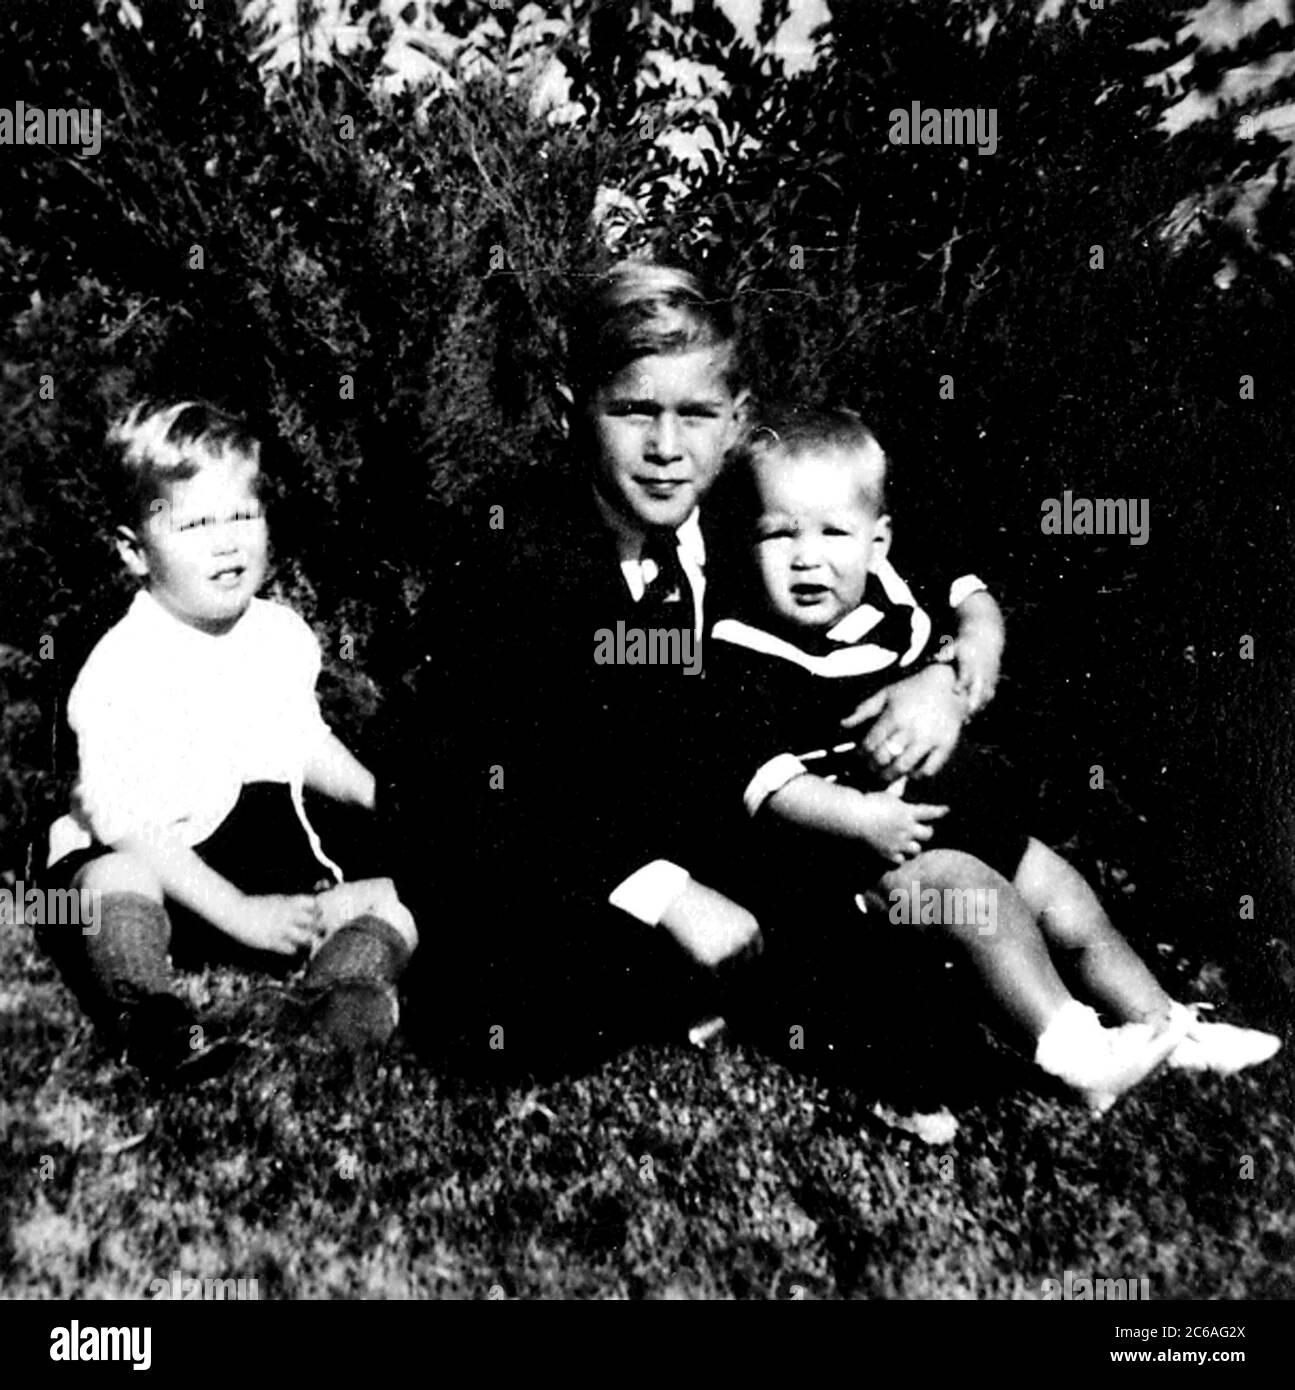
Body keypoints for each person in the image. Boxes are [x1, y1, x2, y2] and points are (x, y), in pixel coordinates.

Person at [705, 404, 1280, 1113]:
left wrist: (973, 640)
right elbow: (764, 780)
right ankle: (1072, 1048)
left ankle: (1160, 1023)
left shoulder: (893, 594)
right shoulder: (745, 646)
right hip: (845, 864)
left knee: (1063, 894)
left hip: (947, 820)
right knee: (976, 895)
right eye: (778, 534)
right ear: (746, 541)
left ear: (878, 541)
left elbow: (971, 597)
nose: (806, 556)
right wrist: (856, 818)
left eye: (833, 532)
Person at [39, 399, 418, 1081]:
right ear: (134, 549)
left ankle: (341, 992)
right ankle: (148, 1010)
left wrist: (378, 795)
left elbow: (303, 740)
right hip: (156, 868)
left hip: (260, 873)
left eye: (243, 515)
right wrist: (237, 914)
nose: (227, 542)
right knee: (111, 880)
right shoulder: (125, 663)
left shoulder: (278, 635)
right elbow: (124, 822)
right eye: (195, 523)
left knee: (403, 890)